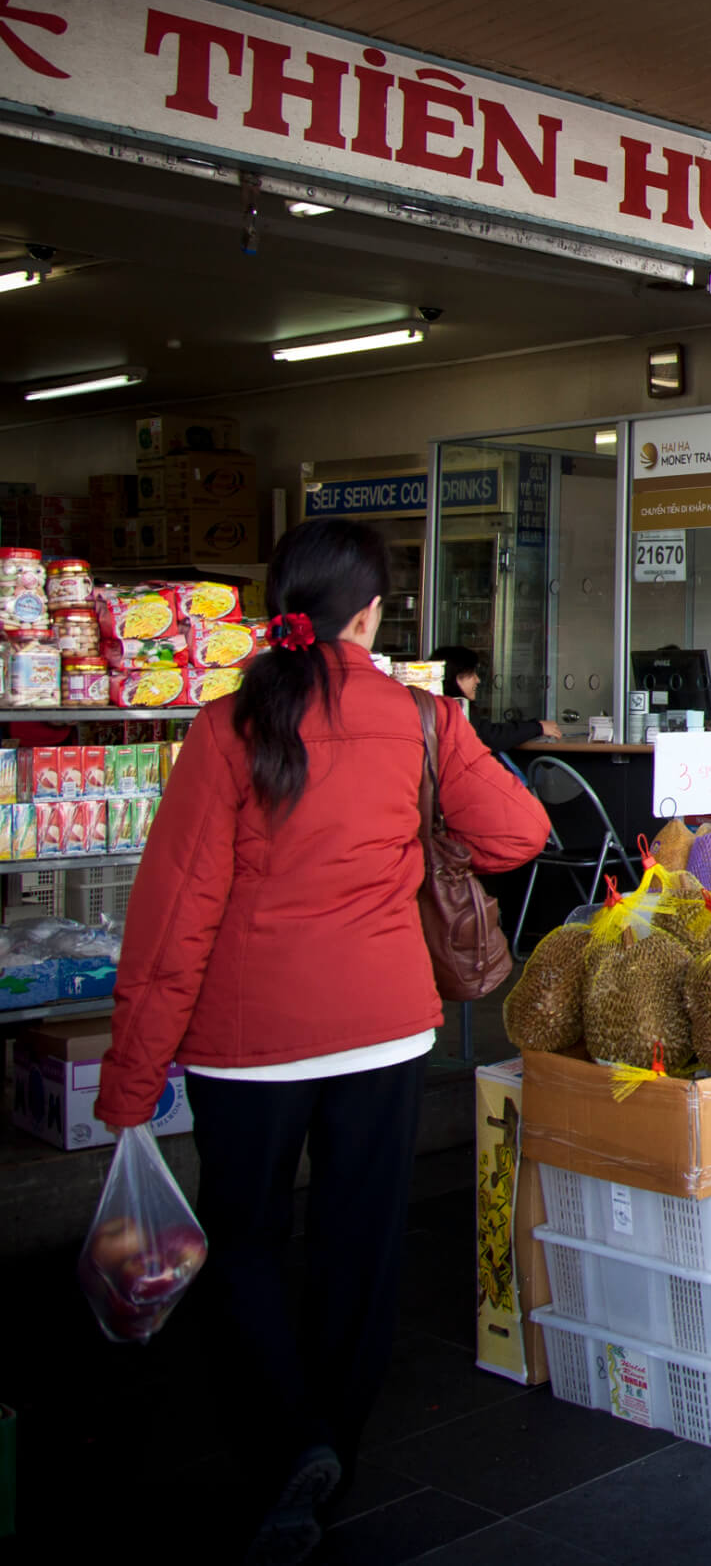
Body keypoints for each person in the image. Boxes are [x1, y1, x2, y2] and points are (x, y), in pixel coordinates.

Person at [96, 521, 551, 1566]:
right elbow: (519, 834)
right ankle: (332, 1444)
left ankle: (286, 1438)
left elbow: (175, 916)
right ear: (370, 612)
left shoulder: (227, 727)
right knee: (359, 1241)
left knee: (244, 1240)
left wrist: (130, 1079)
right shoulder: (425, 719)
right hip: (384, 1029)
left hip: (246, 1042)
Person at [428, 644, 560, 755]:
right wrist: (537, 727)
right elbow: (491, 737)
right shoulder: (450, 710)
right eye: (472, 674)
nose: (477, 680)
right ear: (457, 677)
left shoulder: (433, 706)